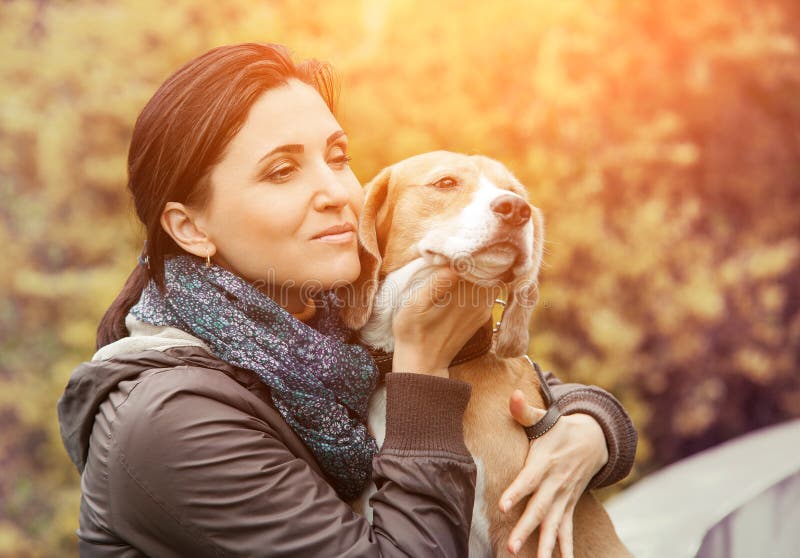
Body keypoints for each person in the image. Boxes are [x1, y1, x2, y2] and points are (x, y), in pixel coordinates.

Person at [57, 43, 637, 557]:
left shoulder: (329, 319)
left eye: (336, 157)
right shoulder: (169, 422)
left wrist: (593, 429)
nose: (336, 192)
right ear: (190, 229)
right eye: (282, 171)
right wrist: (422, 371)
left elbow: (516, 384)